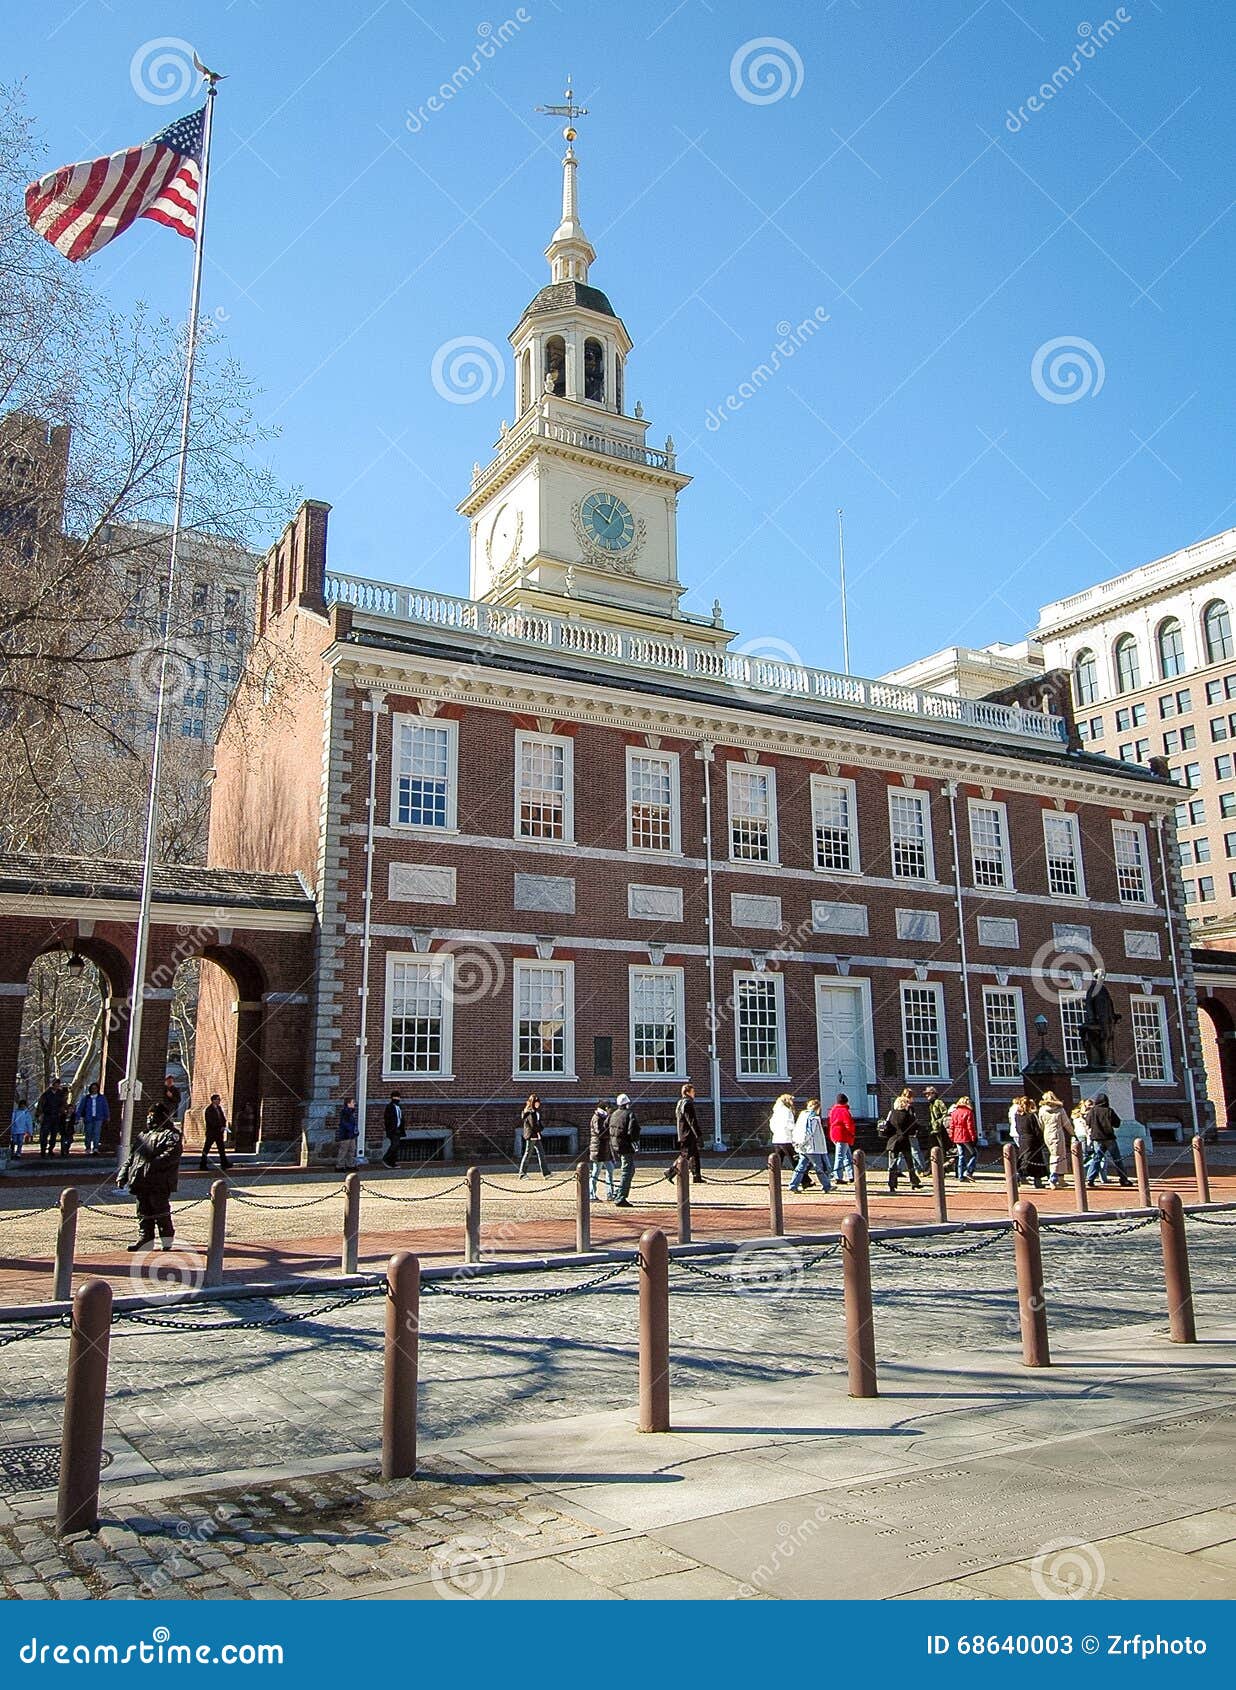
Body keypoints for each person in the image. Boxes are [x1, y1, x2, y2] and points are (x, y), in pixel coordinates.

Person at [118, 1100, 184, 1251]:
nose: (150, 1118)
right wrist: (123, 1174)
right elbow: (132, 1157)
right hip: (140, 1180)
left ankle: (166, 1238)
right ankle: (145, 1238)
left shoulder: (171, 1135)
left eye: (153, 1115)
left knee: (160, 1210)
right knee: (143, 1211)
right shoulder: (144, 1135)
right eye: (149, 1115)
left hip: (159, 1181)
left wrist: (150, 1165)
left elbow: (171, 1155)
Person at [1086, 1092, 1132, 1187]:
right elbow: (1117, 1123)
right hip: (1109, 1137)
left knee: (1096, 1159)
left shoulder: (1092, 1111)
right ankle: (1123, 1179)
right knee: (1117, 1159)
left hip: (1097, 1138)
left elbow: (1088, 1123)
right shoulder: (1109, 1111)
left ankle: (1090, 1179)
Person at [882, 1089, 922, 1193]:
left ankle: (892, 1184)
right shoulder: (907, 1115)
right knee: (910, 1163)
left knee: (892, 1164)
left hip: (893, 1141)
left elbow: (887, 1128)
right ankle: (914, 1182)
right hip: (904, 1140)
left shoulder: (892, 1114)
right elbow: (914, 1127)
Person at [789, 1098, 831, 1193]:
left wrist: (797, 1142)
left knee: (801, 1166)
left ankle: (793, 1184)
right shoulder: (813, 1118)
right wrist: (803, 1141)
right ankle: (826, 1185)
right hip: (812, 1147)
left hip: (803, 1147)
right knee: (818, 1166)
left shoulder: (802, 1116)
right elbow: (809, 1132)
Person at [665, 1082, 704, 1184]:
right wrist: (698, 1135)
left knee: (695, 1155)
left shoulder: (680, 1103)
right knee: (685, 1155)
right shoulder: (687, 1104)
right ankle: (670, 1172)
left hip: (684, 1133)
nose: (694, 1093)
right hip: (687, 1134)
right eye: (692, 1091)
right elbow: (691, 1121)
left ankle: (697, 1176)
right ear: (687, 1092)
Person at [608, 1092, 640, 1206]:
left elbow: (607, 1127)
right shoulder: (629, 1114)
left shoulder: (614, 1114)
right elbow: (633, 1131)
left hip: (615, 1145)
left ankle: (618, 1192)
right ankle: (621, 1197)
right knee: (626, 1171)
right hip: (625, 1146)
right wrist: (634, 1142)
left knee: (630, 1170)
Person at [1038, 1090, 1073, 1189]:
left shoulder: (1042, 1110)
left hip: (1047, 1133)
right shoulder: (1059, 1109)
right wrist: (1073, 1134)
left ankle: (1061, 1179)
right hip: (1057, 1133)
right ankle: (1053, 1179)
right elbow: (1066, 1123)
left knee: (1059, 1155)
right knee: (1057, 1156)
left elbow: (1040, 1124)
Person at [1014, 1096, 1049, 1189]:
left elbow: (1017, 1128)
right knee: (1035, 1159)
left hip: (1023, 1139)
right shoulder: (1031, 1116)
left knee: (1024, 1158)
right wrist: (1041, 1140)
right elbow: (1036, 1129)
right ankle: (1035, 1180)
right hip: (1032, 1140)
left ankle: (1020, 1174)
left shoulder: (1017, 1116)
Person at [589, 1099, 616, 1200]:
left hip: (605, 1149)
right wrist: (610, 1131)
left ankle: (610, 1194)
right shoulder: (597, 1117)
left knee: (610, 1169)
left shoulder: (604, 1117)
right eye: (609, 1108)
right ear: (605, 1108)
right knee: (596, 1171)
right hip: (598, 1149)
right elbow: (599, 1132)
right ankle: (591, 1194)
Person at [518, 1094, 550, 1177]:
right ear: (532, 1103)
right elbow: (534, 1125)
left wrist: (539, 1131)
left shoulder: (534, 1112)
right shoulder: (531, 1113)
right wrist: (540, 1129)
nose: (538, 1104)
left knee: (541, 1153)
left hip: (536, 1135)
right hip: (532, 1136)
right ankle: (522, 1173)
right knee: (528, 1154)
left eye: (538, 1103)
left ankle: (546, 1173)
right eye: (536, 1102)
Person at [828, 1093, 856, 1184]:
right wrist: (852, 1133)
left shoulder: (833, 1110)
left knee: (847, 1156)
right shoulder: (844, 1111)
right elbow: (848, 1124)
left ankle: (851, 1175)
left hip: (834, 1134)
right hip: (842, 1135)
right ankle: (838, 1176)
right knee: (840, 1156)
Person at [948, 1095, 978, 1181]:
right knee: (974, 1154)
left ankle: (960, 1175)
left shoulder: (954, 1112)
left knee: (961, 1155)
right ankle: (968, 1171)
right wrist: (973, 1137)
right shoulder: (969, 1112)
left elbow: (952, 1126)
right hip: (965, 1136)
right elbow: (970, 1127)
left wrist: (951, 1137)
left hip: (956, 1136)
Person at [200, 1093, 232, 1172]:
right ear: (213, 1100)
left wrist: (223, 1125)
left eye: (219, 1099)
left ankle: (224, 1163)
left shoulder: (219, 1108)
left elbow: (223, 1118)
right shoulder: (209, 1110)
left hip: (219, 1133)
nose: (219, 1101)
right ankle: (202, 1164)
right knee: (207, 1148)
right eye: (218, 1099)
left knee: (221, 1148)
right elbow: (211, 1121)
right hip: (212, 1132)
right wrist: (218, 1127)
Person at [76, 1083, 109, 1155]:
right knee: (88, 1133)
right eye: (92, 1088)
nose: (94, 1089)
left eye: (95, 1088)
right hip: (89, 1117)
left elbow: (105, 1107)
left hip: (98, 1118)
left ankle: (95, 1148)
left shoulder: (102, 1098)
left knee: (96, 1133)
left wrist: (107, 1116)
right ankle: (87, 1148)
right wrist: (77, 1117)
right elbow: (80, 1108)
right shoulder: (86, 1098)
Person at [37, 1079, 65, 1158]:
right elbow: (41, 1104)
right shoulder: (46, 1094)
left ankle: (51, 1149)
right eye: (55, 1084)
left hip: (56, 1116)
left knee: (54, 1134)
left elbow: (63, 1104)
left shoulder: (60, 1094)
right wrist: (40, 1114)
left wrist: (61, 1112)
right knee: (44, 1134)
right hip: (47, 1116)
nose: (57, 1086)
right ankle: (43, 1150)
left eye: (58, 1084)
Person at [768, 1093, 797, 1169]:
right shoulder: (787, 1111)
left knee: (777, 1162)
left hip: (777, 1139)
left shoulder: (776, 1111)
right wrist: (795, 1131)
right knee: (795, 1160)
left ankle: (774, 1178)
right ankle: (805, 1179)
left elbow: (771, 1124)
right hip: (786, 1139)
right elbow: (790, 1125)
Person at [925, 1087, 950, 1169]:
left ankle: (942, 1168)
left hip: (939, 1130)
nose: (926, 1095)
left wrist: (938, 1122)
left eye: (928, 1093)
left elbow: (945, 1113)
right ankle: (931, 1168)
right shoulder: (930, 1104)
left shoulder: (938, 1102)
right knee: (931, 1149)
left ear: (933, 1094)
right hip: (932, 1130)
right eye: (926, 1094)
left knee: (941, 1148)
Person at [335, 1096, 359, 1171]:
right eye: (352, 1102)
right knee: (343, 1151)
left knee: (351, 1150)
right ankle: (339, 1166)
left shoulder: (351, 1112)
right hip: (346, 1134)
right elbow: (345, 1123)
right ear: (348, 1104)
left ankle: (350, 1164)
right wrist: (352, 1129)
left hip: (351, 1135)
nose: (354, 1103)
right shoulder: (345, 1112)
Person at [382, 1093, 404, 1168]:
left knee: (396, 1145)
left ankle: (392, 1162)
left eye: (398, 1097)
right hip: (392, 1129)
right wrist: (390, 1128)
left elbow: (400, 1118)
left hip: (398, 1129)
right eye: (396, 1097)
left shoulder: (399, 1107)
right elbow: (387, 1119)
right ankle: (386, 1159)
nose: (397, 1099)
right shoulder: (389, 1107)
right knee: (394, 1145)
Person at [58, 1088, 75, 1157]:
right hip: (63, 1130)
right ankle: (63, 1150)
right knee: (63, 1140)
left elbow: (74, 1122)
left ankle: (66, 1149)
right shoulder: (63, 1115)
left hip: (70, 1130)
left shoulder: (73, 1116)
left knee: (70, 1140)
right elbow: (61, 1121)